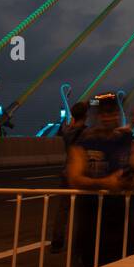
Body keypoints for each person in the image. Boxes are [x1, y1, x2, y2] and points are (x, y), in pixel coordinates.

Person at [66, 93, 134, 267]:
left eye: (113, 113)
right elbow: (74, 177)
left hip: (125, 222)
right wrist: (105, 183)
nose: (109, 117)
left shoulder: (128, 141)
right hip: (91, 222)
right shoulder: (83, 143)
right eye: (104, 114)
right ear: (97, 116)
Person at [50, 100, 89, 254]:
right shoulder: (87, 132)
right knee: (84, 208)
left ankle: (57, 242)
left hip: (67, 172)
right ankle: (82, 242)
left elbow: (64, 131)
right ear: (85, 116)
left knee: (63, 209)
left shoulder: (67, 131)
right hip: (81, 173)